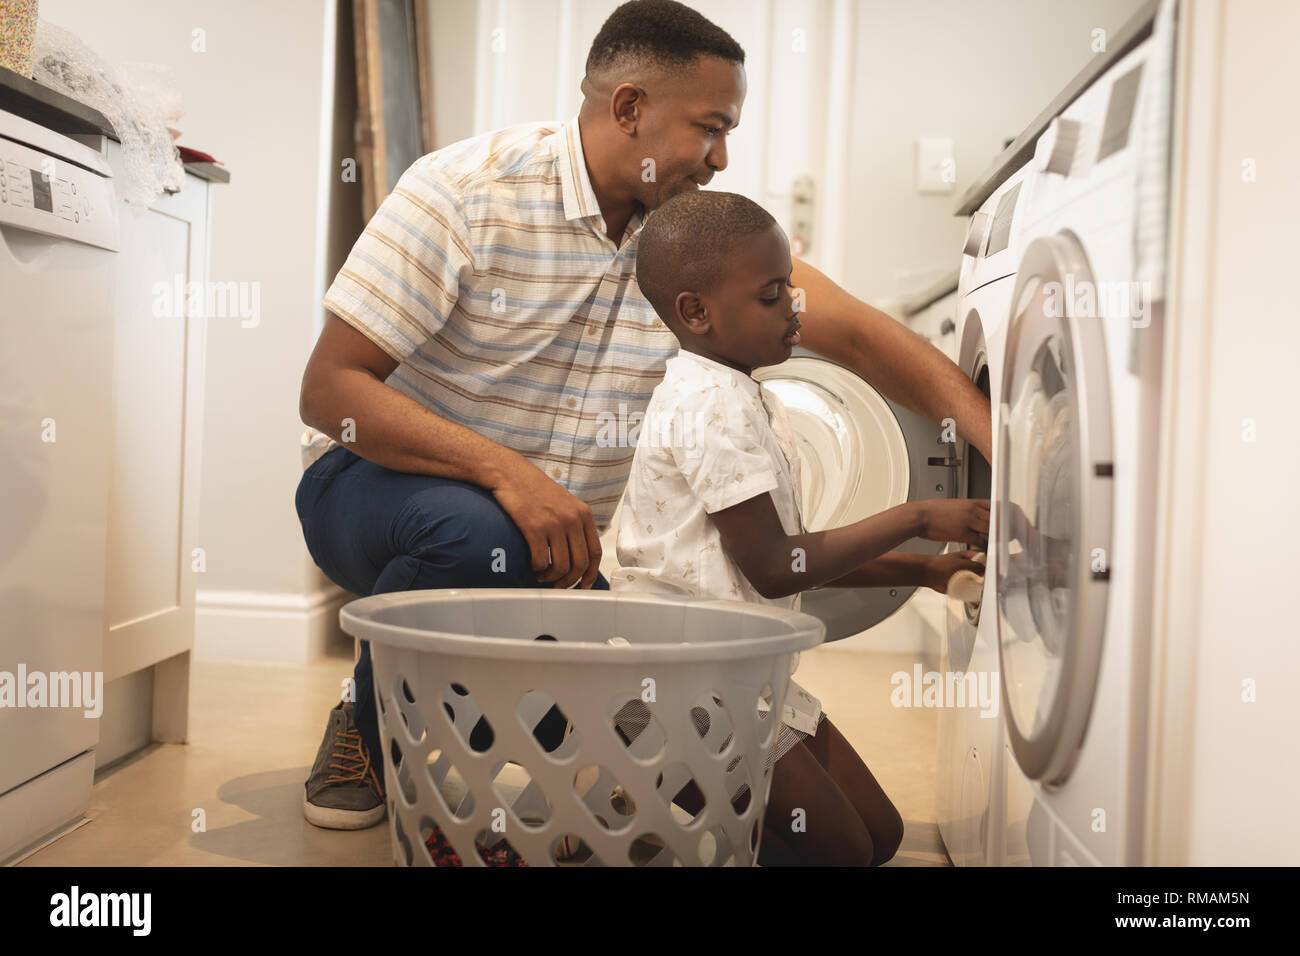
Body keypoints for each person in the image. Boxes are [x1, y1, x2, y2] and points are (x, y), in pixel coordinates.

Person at [296, 0, 993, 837]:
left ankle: (513, 770)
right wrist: (506, 471)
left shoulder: (692, 248)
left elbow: (870, 341)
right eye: (710, 127)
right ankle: (368, 725)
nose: (723, 155)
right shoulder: (464, 193)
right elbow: (331, 392)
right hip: (378, 488)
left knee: (595, 705)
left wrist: (999, 438)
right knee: (478, 533)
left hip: (570, 547)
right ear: (630, 108)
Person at [610, 189, 987, 865]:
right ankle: (642, 815)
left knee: (880, 838)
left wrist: (925, 570)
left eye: (791, 288)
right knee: (839, 852)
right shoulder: (709, 407)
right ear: (696, 312)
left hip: (740, 669)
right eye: (771, 295)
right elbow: (776, 567)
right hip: (682, 686)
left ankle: (665, 830)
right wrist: (920, 517)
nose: (795, 309)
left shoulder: (742, 394)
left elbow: (792, 555)